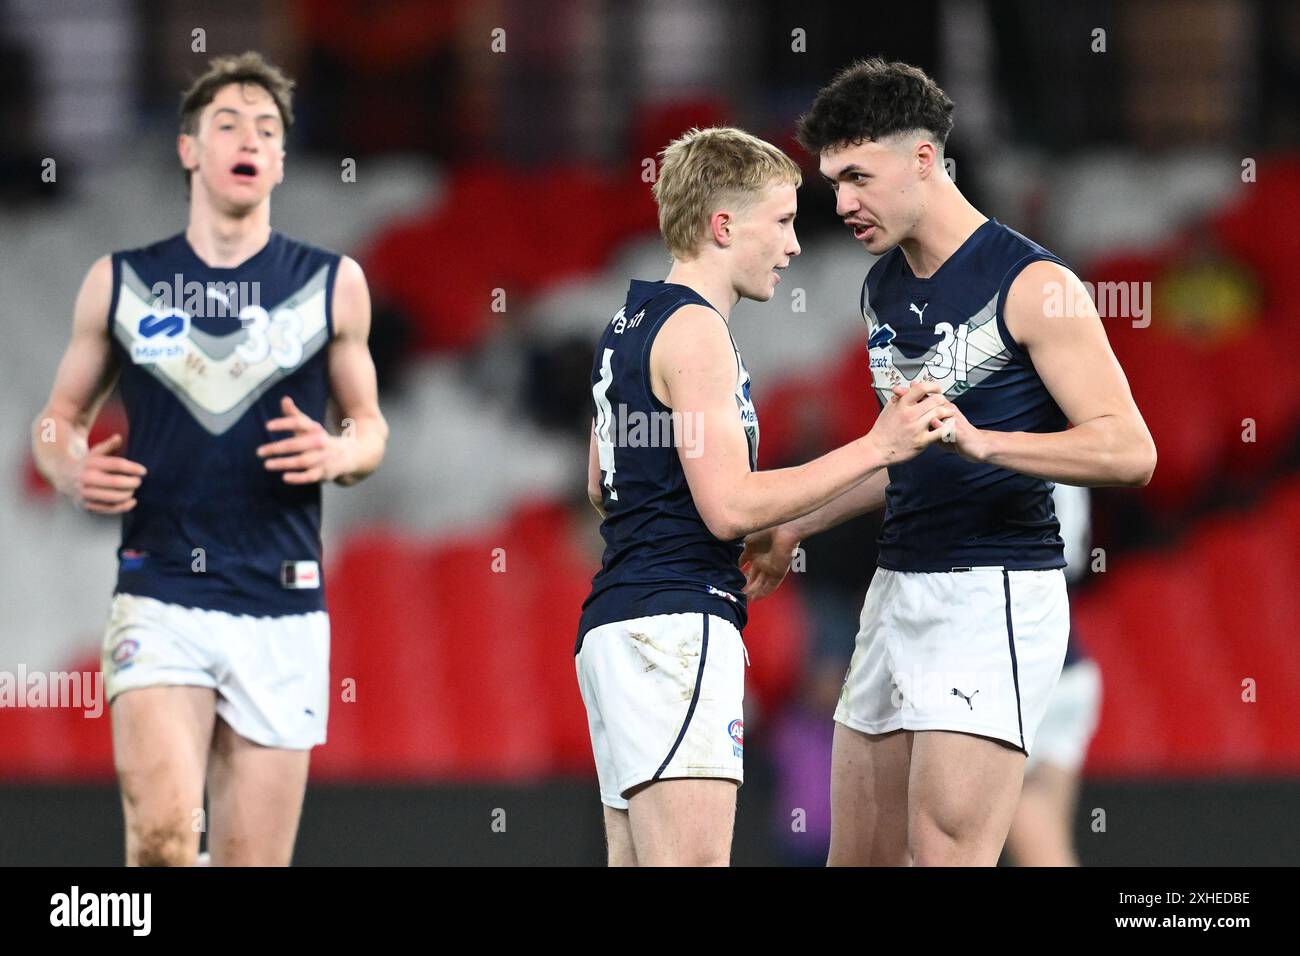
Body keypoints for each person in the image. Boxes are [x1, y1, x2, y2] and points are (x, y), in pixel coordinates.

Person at [744, 58, 1156, 866]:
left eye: (859, 176)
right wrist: (797, 524)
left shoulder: (1036, 284)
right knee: (856, 856)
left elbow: (1130, 449)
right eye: (833, 183)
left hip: (993, 593)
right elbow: (900, 456)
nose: (844, 203)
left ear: (924, 159)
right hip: (896, 589)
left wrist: (984, 440)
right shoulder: (881, 291)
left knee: (945, 855)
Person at [30, 51, 388, 866]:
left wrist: (339, 452)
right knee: (160, 840)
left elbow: (370, 428)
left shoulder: (333, 285)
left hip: (283, 605)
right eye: (227, 122)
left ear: (282, 161)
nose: (248, 137)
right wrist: (69, 465)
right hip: (161, 595)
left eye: (267, 127)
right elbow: (56, 420)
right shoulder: (120, 283)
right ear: (190, 149)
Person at [577, 126, 954, 866]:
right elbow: (726, 506)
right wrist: (877, 446)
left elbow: (601, 485)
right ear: (724, 226)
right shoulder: (696, 332)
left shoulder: (627, 326)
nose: (793, 245)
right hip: (676, 624)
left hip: (617, 625)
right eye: (781, 222)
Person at [1005, 482, 1103, 867]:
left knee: (1028, 816)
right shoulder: (1067, 461)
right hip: (1069, 669)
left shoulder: (1011, 447)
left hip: (1028, 677)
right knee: (1050, 835)